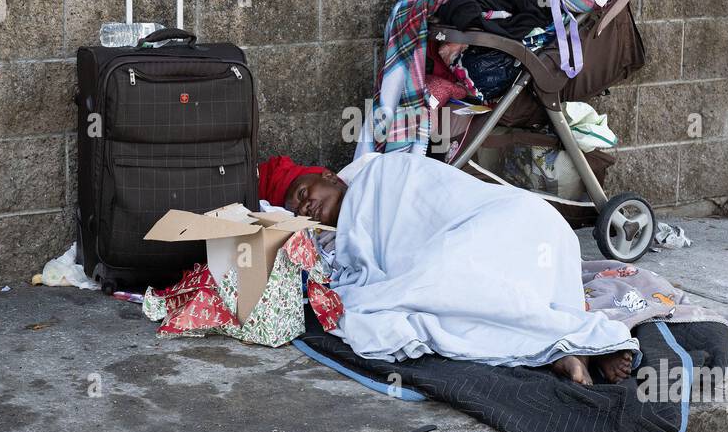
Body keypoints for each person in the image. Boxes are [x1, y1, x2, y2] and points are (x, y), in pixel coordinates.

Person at [257, 153, 636, 385]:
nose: (304, 208)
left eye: (304, 195)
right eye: (296, 211)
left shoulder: (385, 172)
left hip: (521, 218)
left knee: (442, 278)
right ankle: (573, 344)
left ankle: (568, 342)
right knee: (457, 280)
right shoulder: (340, 238)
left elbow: (439, 201)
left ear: (329, 177)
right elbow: (382, 255)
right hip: (479, 241)